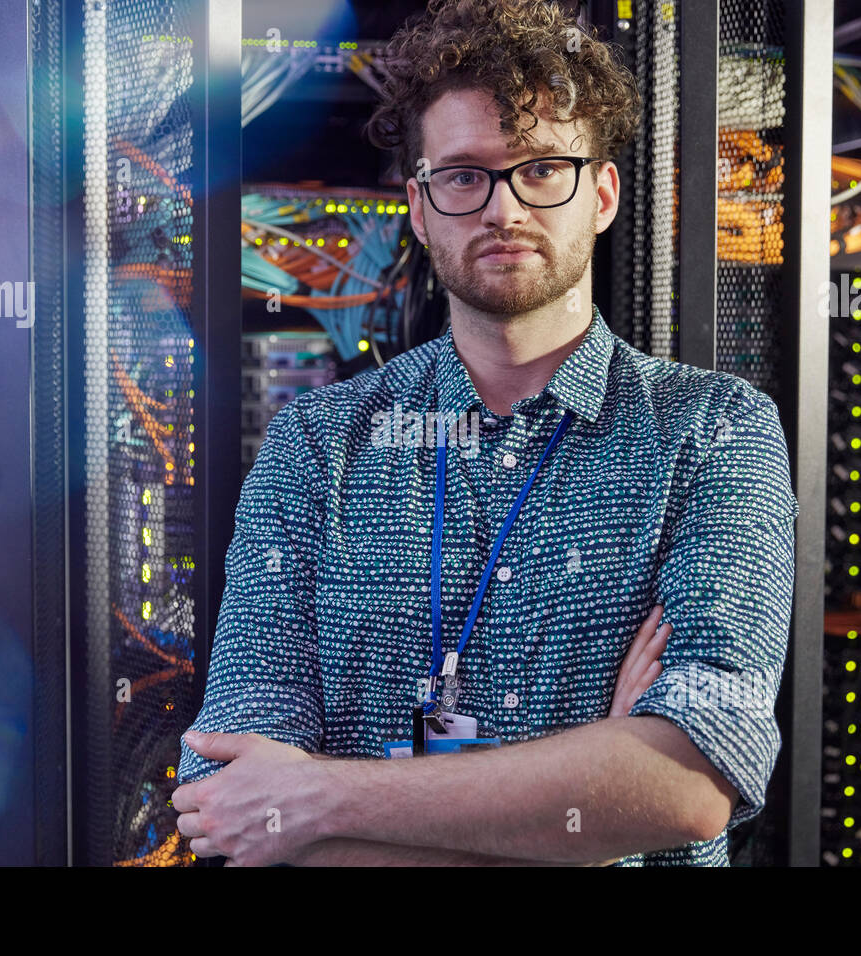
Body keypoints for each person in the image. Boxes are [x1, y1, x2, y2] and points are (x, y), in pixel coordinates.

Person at [174, 0, 799, 866]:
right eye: (464, 175)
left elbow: (692, 784)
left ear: (603, 194)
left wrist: (320, 798)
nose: (503, 208)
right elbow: (229, 802)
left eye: (543, 169)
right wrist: (591, 801)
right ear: (421, 209)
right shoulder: (315, 446)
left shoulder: (713, 432)